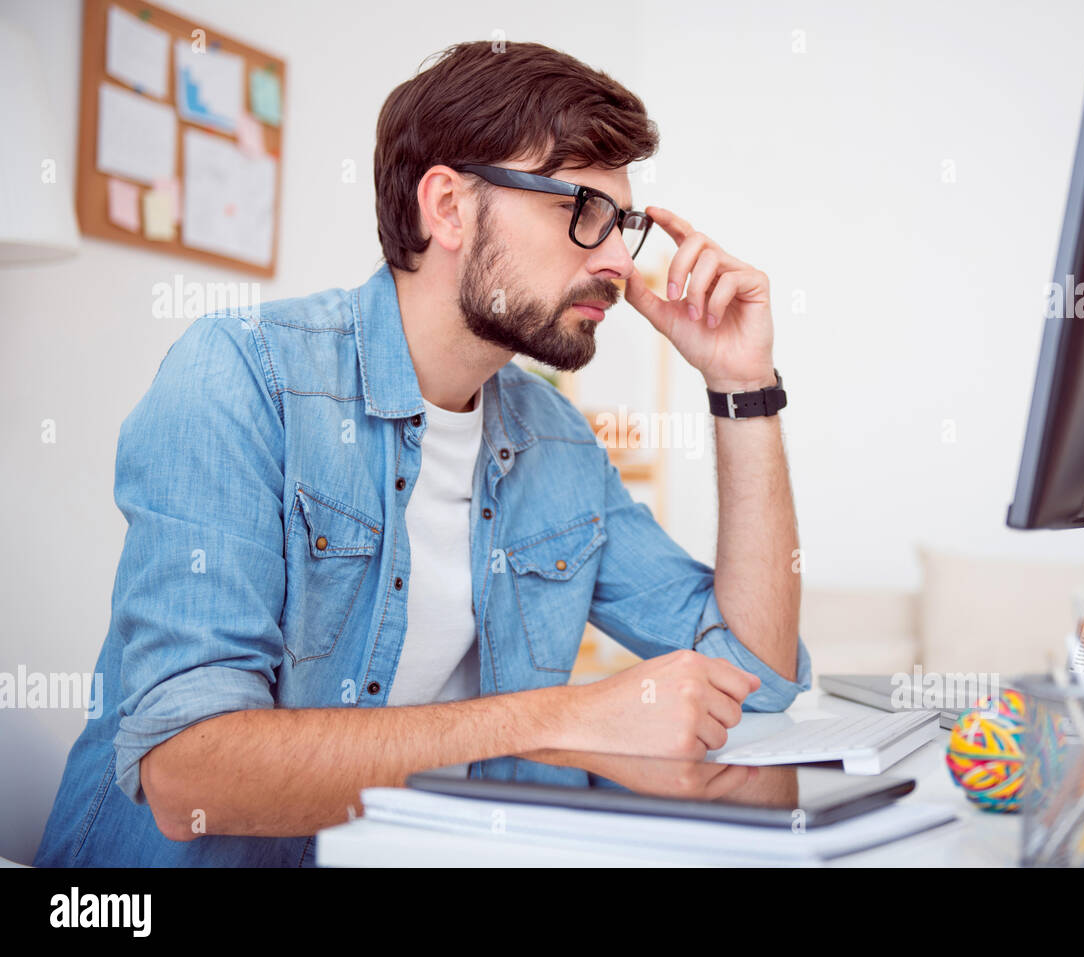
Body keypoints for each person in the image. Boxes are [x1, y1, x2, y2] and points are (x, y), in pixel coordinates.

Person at [35, 39, 810, 867]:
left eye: (623, 224)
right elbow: (191, 776)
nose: (619, 260)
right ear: (446, 206)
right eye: (582, 206)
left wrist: (743, 387)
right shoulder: (243, 378)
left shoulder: (556, 442)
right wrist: (566, 717)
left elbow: (754, 672)